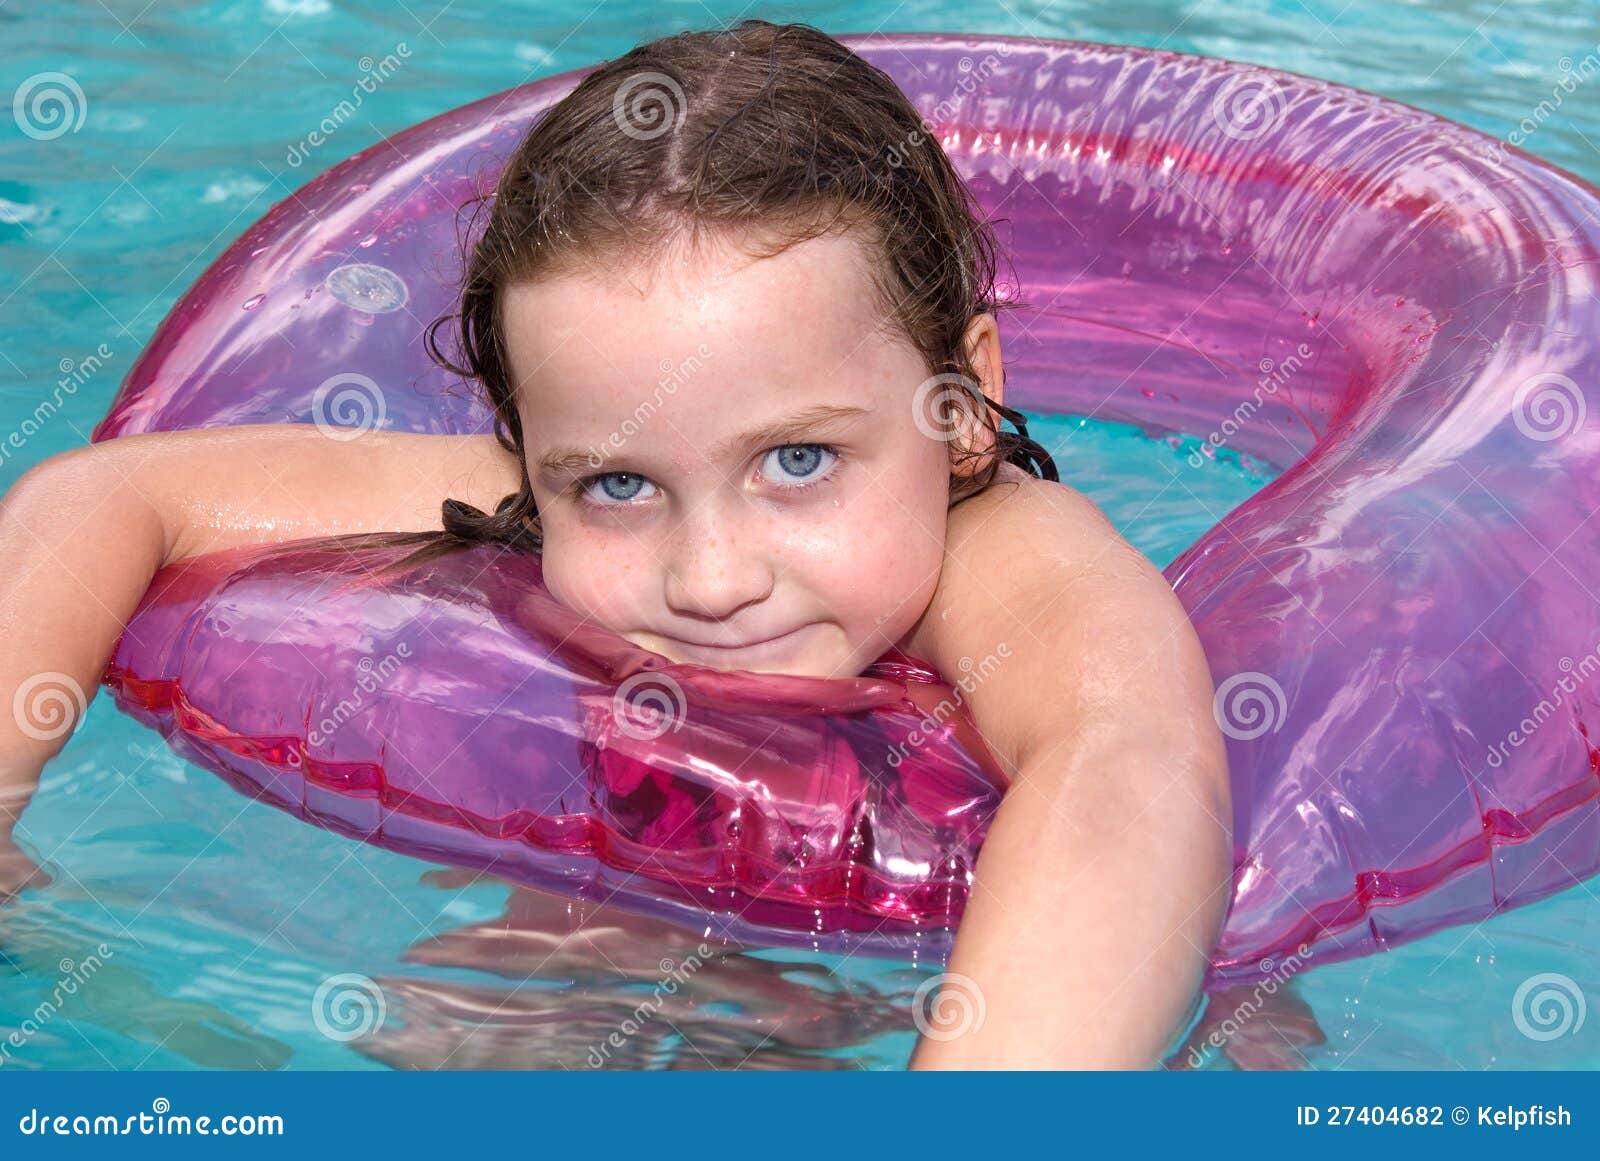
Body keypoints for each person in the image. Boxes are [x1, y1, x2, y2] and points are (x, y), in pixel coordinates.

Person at [0, 19, 1231, 1068]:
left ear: (957, 405)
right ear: (534, 451)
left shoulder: (1010, 555)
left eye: (797, 462)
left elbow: (1126, 765)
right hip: (637, 926)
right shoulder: (530, 490)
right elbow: (108, 497)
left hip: (927, 970)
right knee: (437, 1029)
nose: (710, 579)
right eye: (623, 486)